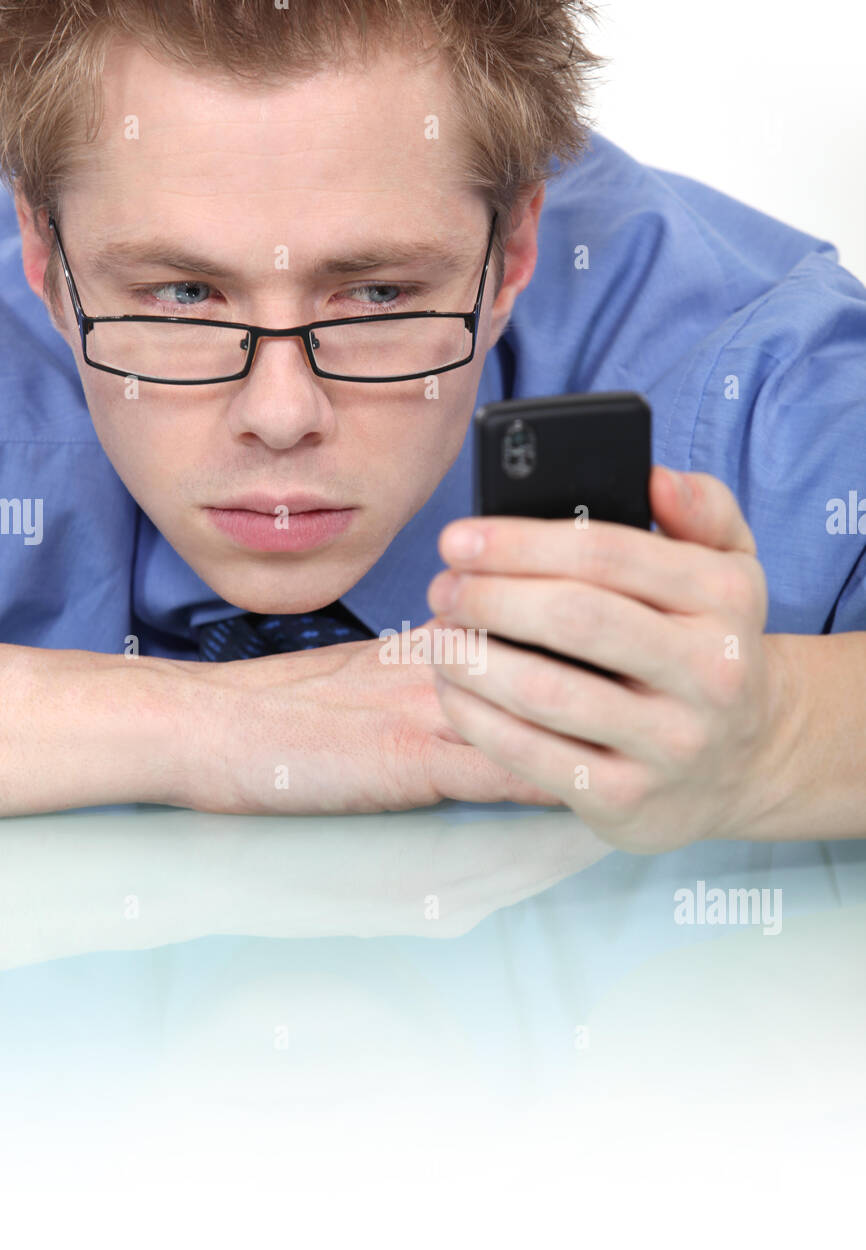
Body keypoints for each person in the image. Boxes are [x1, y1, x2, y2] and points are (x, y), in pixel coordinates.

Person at [0, 0, 863, 848]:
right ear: (44, 255)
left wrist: (775, 729)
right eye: (182, 295)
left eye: (378, 294)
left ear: (515, 248)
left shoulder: (759, 375)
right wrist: (228, 728)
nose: (280, 414)